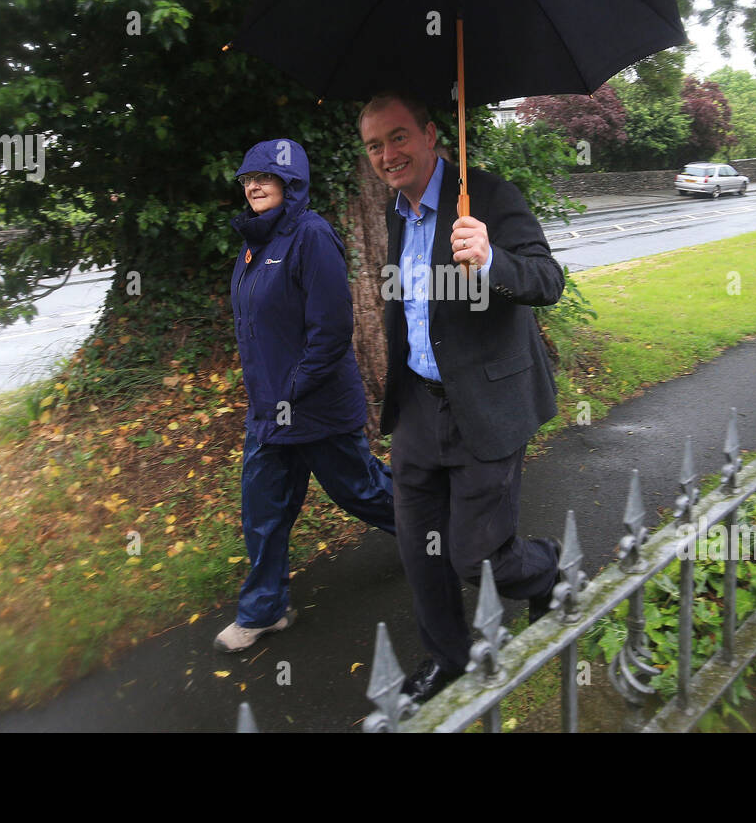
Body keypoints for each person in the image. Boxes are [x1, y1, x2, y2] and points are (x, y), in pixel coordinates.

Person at [358, 91, 565, 702]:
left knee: (478, 559)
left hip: (488, 402)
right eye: (375, 145)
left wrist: (492, 258)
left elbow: (548, 280)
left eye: (398, 137)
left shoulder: (489, 197)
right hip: (421, 405)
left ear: (429, 135)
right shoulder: (397, 210)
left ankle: (546, 567)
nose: (388, 154)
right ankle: (449, 658)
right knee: (420, 549)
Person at [216, 138, 396, 653]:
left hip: (316, 409)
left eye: (265, 178)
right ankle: (264, 610)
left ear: (292, 185)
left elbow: (331, 332)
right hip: (269, 412)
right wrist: (265, 397)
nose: (253, 186)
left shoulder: (312, 237)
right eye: (248, 179)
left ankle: (438, 530)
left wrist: (290, 393)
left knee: (360, 492)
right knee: (262, 509)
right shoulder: (253, 244)